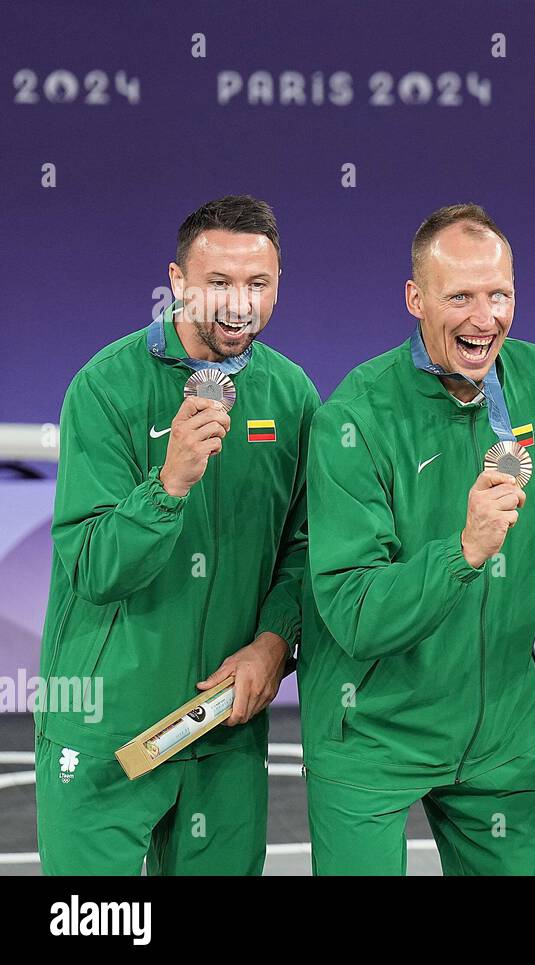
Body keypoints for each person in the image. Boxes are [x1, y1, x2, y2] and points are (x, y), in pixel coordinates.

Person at [299, 204, 535, 875]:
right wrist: (462, 551)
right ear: (415, 299)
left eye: (499, 294)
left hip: (496, 738)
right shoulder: (352, 421)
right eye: (460, 297)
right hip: (371, 736)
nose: (484, 318)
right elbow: (354, 613)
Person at [36, 195, 319, 874]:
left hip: (222, 726)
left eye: (259, 284)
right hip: (107, 729)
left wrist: (274, 644)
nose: (239, 304)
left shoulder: (293, 396)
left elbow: (304, 551)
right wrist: (168, 486)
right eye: (219, 282)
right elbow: (95, 565)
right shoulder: (106, 387)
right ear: (178, 282)